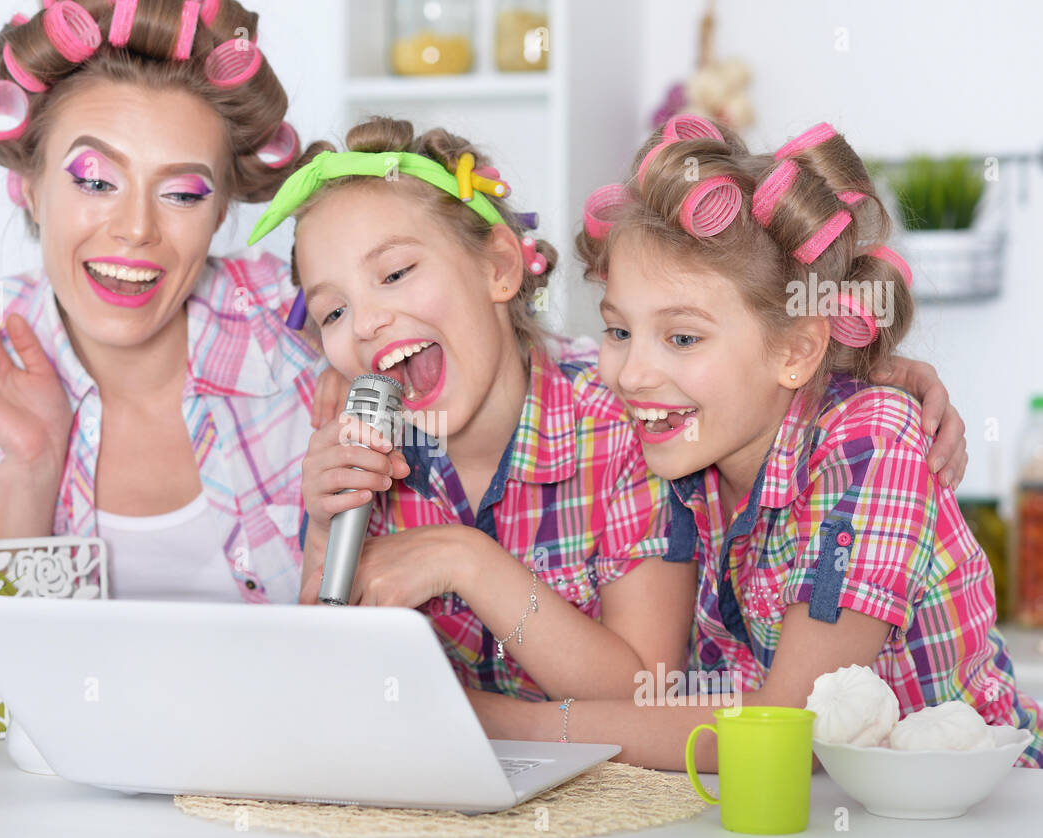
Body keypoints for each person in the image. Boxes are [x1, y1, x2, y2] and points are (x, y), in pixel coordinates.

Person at [262, 116, 968, 709]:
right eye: (333, 312)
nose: (366, 323)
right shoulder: (362, 433)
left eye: (394, 274)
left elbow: (677, 700)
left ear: (500, 267)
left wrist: (466, 578)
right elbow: (324, 694)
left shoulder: (627, 423)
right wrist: (327, 531)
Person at [470, 116, 1041, 768]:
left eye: (682, 338)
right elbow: (536, 377)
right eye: (619, 331)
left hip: (987, 810)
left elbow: (790, 726)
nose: (631, 375)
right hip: (815, 813)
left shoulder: (870, 444)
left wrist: (501, 723)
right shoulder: (687, 437)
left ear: (796, 351)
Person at [0, 0, 341, 602]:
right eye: (95, 181)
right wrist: (31, 466)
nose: (136, 229)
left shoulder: (304, 324)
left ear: (221, 210)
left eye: (182, 194)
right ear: (31, 189)